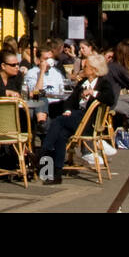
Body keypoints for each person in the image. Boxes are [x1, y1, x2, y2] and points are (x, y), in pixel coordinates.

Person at [39, 54, 117, 183]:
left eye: (85, 67)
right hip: (76, 117)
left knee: (57, 121)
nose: (83, 69)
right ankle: (56, 174)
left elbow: (110, 99)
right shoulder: (82, 83)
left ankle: (44, 151)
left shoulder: (104, 84)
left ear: (94, 70)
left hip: (89, 122)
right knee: (61, 135)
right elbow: (70, 100)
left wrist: (94, 93)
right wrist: (68, 110)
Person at [24, 44, 67, 127]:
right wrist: (42, 71)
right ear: (38, 60)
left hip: (57, 104)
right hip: (42, 105)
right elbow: (37, 93)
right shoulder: (32, 73)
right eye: (46, 59)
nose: (49, 61)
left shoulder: (56, 72)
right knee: (42, 100)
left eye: (51, 59)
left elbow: (62, 90)